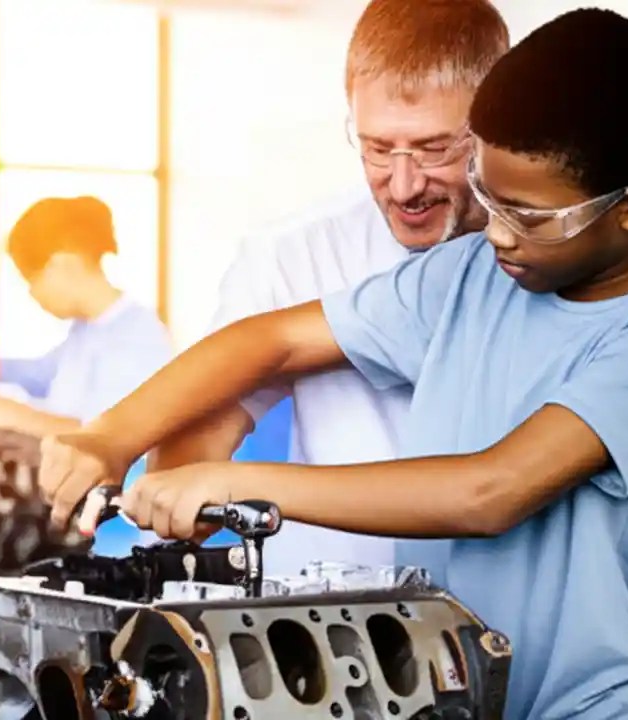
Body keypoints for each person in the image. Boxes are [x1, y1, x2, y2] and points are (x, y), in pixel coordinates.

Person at [39, 8, 628, 719]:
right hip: (449, 702)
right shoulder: (470, 273)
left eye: (526, 215)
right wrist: (112, 437)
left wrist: (237, 482)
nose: (496, 233)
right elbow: (268, 341)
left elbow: (489, 493)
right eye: (490, 200)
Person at [148, 0, 510, 575]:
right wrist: (187, 487)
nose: (404, 185)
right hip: (331, 637)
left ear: (498, 122)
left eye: (435, 147)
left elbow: (489, 494)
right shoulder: (293, 256)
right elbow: (200, 436)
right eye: (376, 148)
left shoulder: (547, 262)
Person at [0, 195, 172, 439]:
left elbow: (110, 438)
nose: (32, 294)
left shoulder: (137, 338)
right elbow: (26, 373)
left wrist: (13, 415)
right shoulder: (86, 332)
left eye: (32, 280)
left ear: (63, 264)